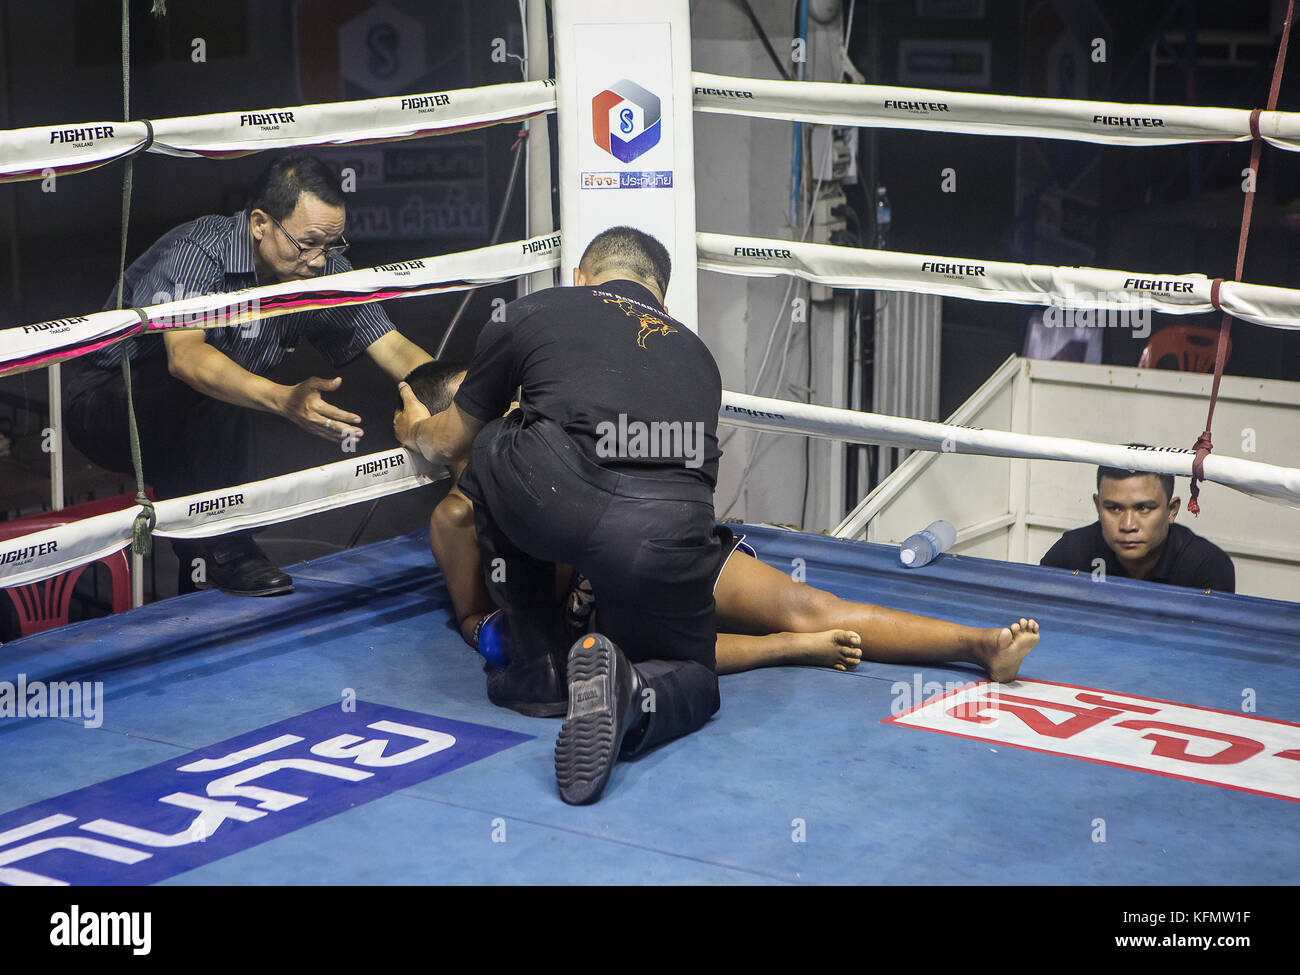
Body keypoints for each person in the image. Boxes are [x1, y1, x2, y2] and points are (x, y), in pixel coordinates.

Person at [403, 359, 1042, 683]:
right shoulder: (457, 515)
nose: (506, 407)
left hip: (665, 553)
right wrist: (529, 623)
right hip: (595, 610)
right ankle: (784, 651)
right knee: (602, 652)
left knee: (810, 605)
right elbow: (472, 619)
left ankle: (978, 644)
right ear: (447, 430)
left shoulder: (544, 441)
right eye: (481, 405)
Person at [395, 226, 728, 805]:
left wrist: (415, 428)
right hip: (676, 528)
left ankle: (540, 666)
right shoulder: (699, 353)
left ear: (580, 277)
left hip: (564, 503)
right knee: (697, 674)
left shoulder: (533, 309)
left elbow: (451, 443)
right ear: (662, 300)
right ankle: (634, 688)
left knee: (498, 431)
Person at [64, 154, 432, 596]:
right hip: (107, 406)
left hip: (192, 432)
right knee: (213, 376)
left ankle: (206, 575)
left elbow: (390, 344)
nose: (318, 261)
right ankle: (229, 551)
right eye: (307, 243)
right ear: (260, 223)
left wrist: (465, 394)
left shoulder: (319, 265)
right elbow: (186, 358)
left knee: (212, 420)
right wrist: (282, 398)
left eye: (332, 246)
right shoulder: (202, 252)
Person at [1040, 460, 1235, 592]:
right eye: (1114, 508)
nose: (1128, 525)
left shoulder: (1205, 567)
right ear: (1098, 506)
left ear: (1171, 510)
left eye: (1143, 508)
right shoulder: (1070, 554)